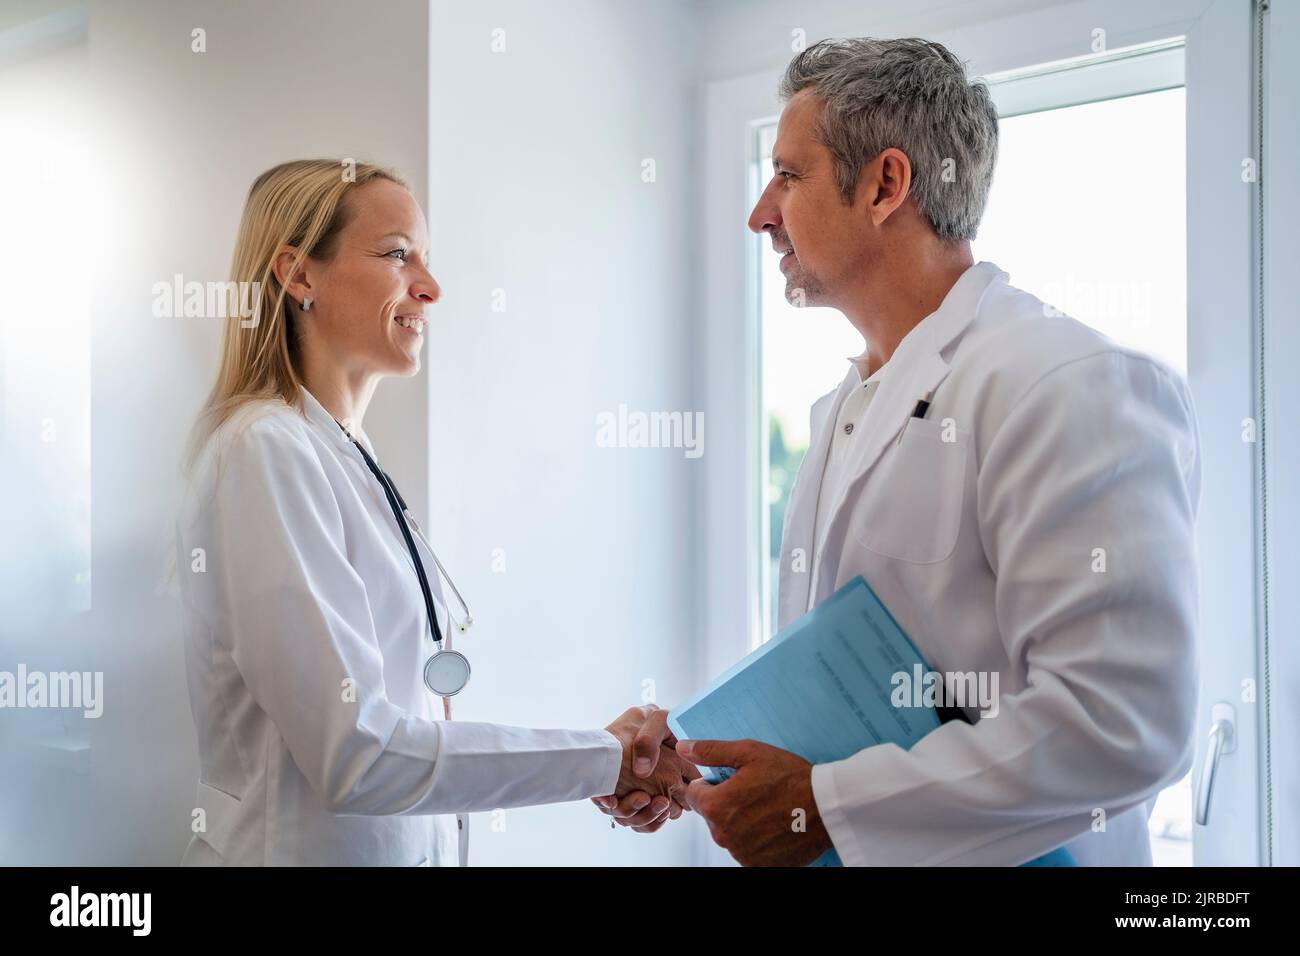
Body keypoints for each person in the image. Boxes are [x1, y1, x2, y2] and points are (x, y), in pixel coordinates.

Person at [670, 37, 1201, 866]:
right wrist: (688, 752)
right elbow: (841, 690)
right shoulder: (844, 410)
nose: (760, 214)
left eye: (789, 176)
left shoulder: (1066, 382)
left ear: (886, 185)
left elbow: (1120, 727)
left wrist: (824, 805)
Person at [175, 159, 694, 866]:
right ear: (299, 275)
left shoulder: (347, 456)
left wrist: (606, 761)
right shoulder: (264, 451)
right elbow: (356, 755)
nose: (431, 286)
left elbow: (404, 733)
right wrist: (603, 760)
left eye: (425, 257)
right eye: (396, 255)